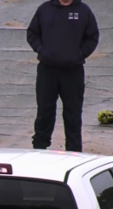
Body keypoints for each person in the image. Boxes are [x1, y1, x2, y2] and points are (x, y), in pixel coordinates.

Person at [27, 0, 99, 152]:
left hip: (73, 72)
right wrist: (42, 50)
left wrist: (79, 55)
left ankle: (74, 151)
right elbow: (32, 34)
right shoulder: (44, 9)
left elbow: (92, 37)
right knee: (44, 111)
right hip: (47, 70)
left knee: (73, 113)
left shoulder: (83, 10)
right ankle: (39, 147)